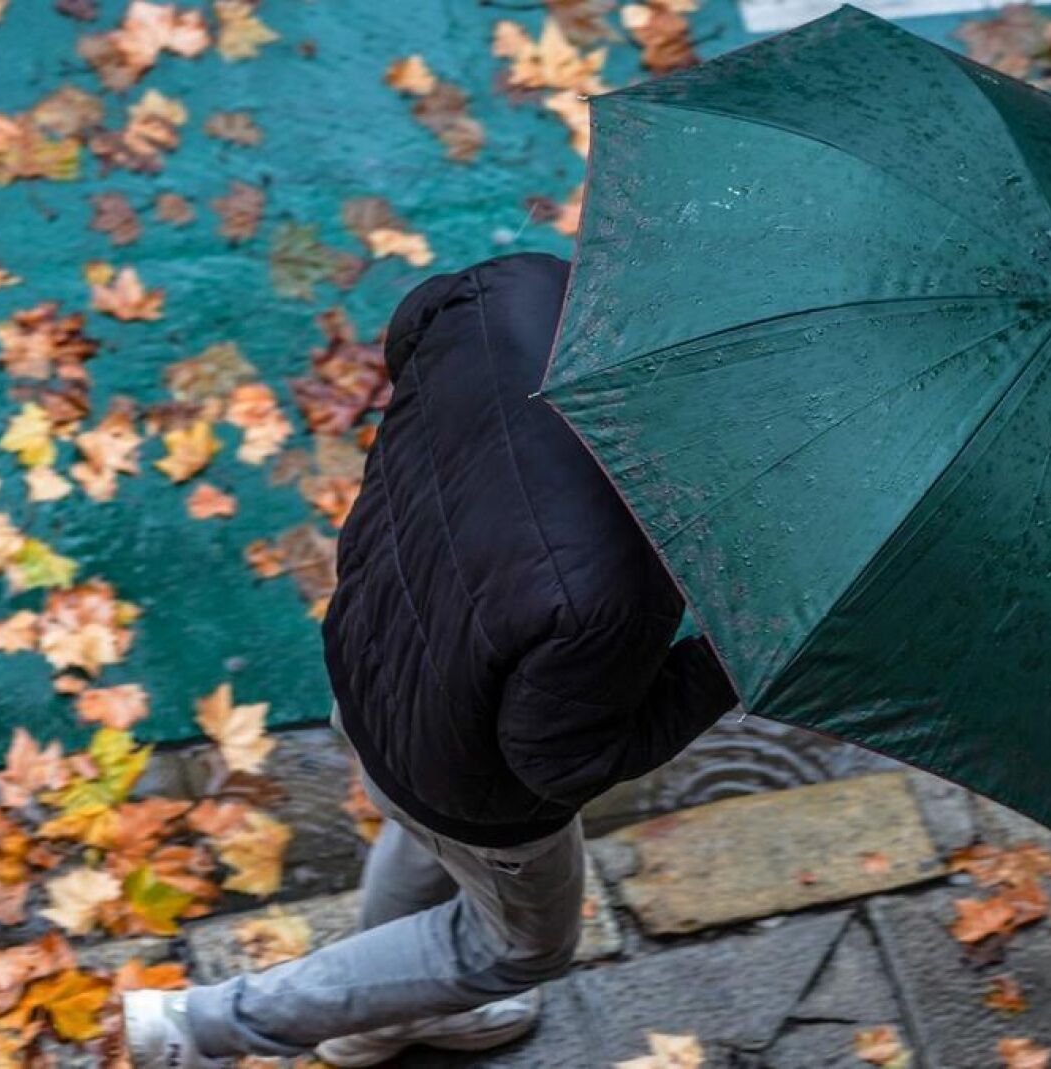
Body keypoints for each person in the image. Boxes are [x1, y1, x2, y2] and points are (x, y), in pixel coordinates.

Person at [122, 252, 740, 1068]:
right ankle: (208, 1025)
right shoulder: (618, 584)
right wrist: (727, 661)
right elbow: (560, 761)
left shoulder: (520, 291)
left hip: (372, 653)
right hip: (470, 786)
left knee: (418, 842)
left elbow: (413, 330)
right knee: (518, 949)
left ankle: (377, 1017)